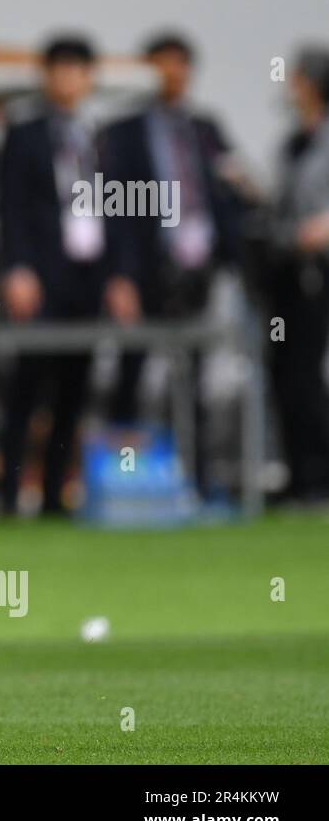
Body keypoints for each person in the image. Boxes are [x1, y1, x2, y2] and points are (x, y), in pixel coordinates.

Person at [100, 32, 244, 497]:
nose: (172, 74)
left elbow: (227, 192)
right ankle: (122, 481)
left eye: (180, 64)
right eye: (162, 64)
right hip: (147, 269)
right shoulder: (122, 133)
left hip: (199, 270)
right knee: (133, 370)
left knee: (198, 379)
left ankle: (199, 477)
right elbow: (115, 211)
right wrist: (120, 275)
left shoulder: (205, 129)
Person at [0, 35, 105, 515]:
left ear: (89, 78)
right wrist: (17, 268)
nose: (67, 79)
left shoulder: (97, 137)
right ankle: (10, 490)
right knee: (26, 388)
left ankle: (57, 494)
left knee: (74, 390)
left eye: (76, 69)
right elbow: (11, 208)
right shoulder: (25, 134)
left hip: (87, 275)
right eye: (59, 69)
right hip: (41, 274)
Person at [262, 47, 329, 502]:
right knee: (283, 372)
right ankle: (297, 474)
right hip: (286, 270)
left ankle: (320, 475)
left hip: (318, 272)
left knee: (307, 373)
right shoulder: (292, 143)